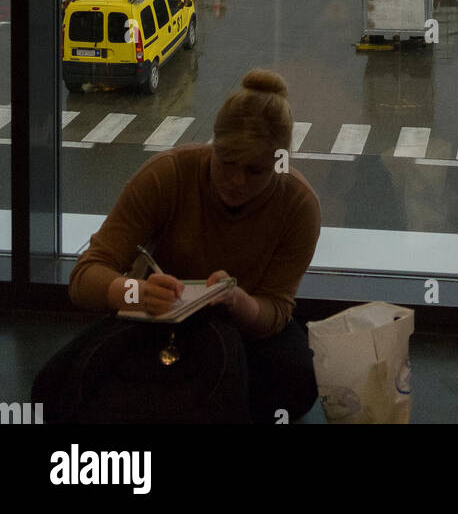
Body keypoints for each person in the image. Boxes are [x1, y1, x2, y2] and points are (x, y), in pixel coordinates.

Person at [60, 68, 321, 423]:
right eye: (226, 162)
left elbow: (275, 311)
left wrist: (237, 301)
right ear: (212, 145)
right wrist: (136, 293)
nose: (237, 181)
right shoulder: (167, 174)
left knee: (297, 379)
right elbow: (84, 277)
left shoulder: (298, 205)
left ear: (280, 162)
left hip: (242, 333)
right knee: (59, 383)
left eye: (255, 170)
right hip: (155, 319)